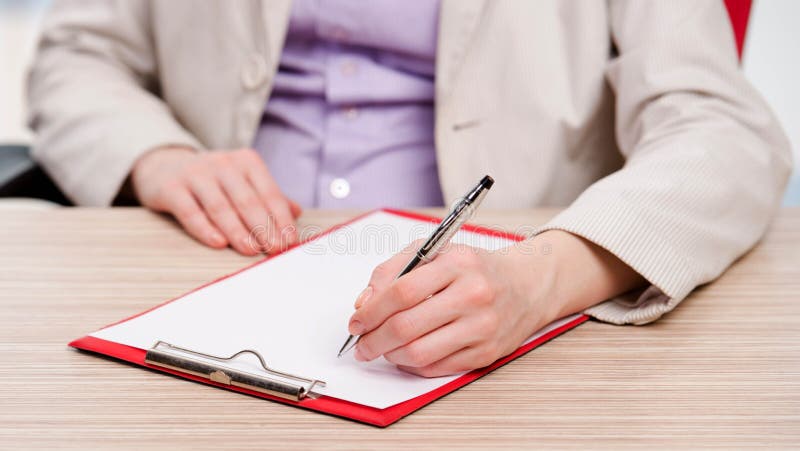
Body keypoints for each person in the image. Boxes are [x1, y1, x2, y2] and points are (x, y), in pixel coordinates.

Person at [28, 1, 791, 377]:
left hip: (504, 323)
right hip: (192, 267)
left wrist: (543, 276)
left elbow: (723, 129)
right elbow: (78, 55)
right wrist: (156, 154)